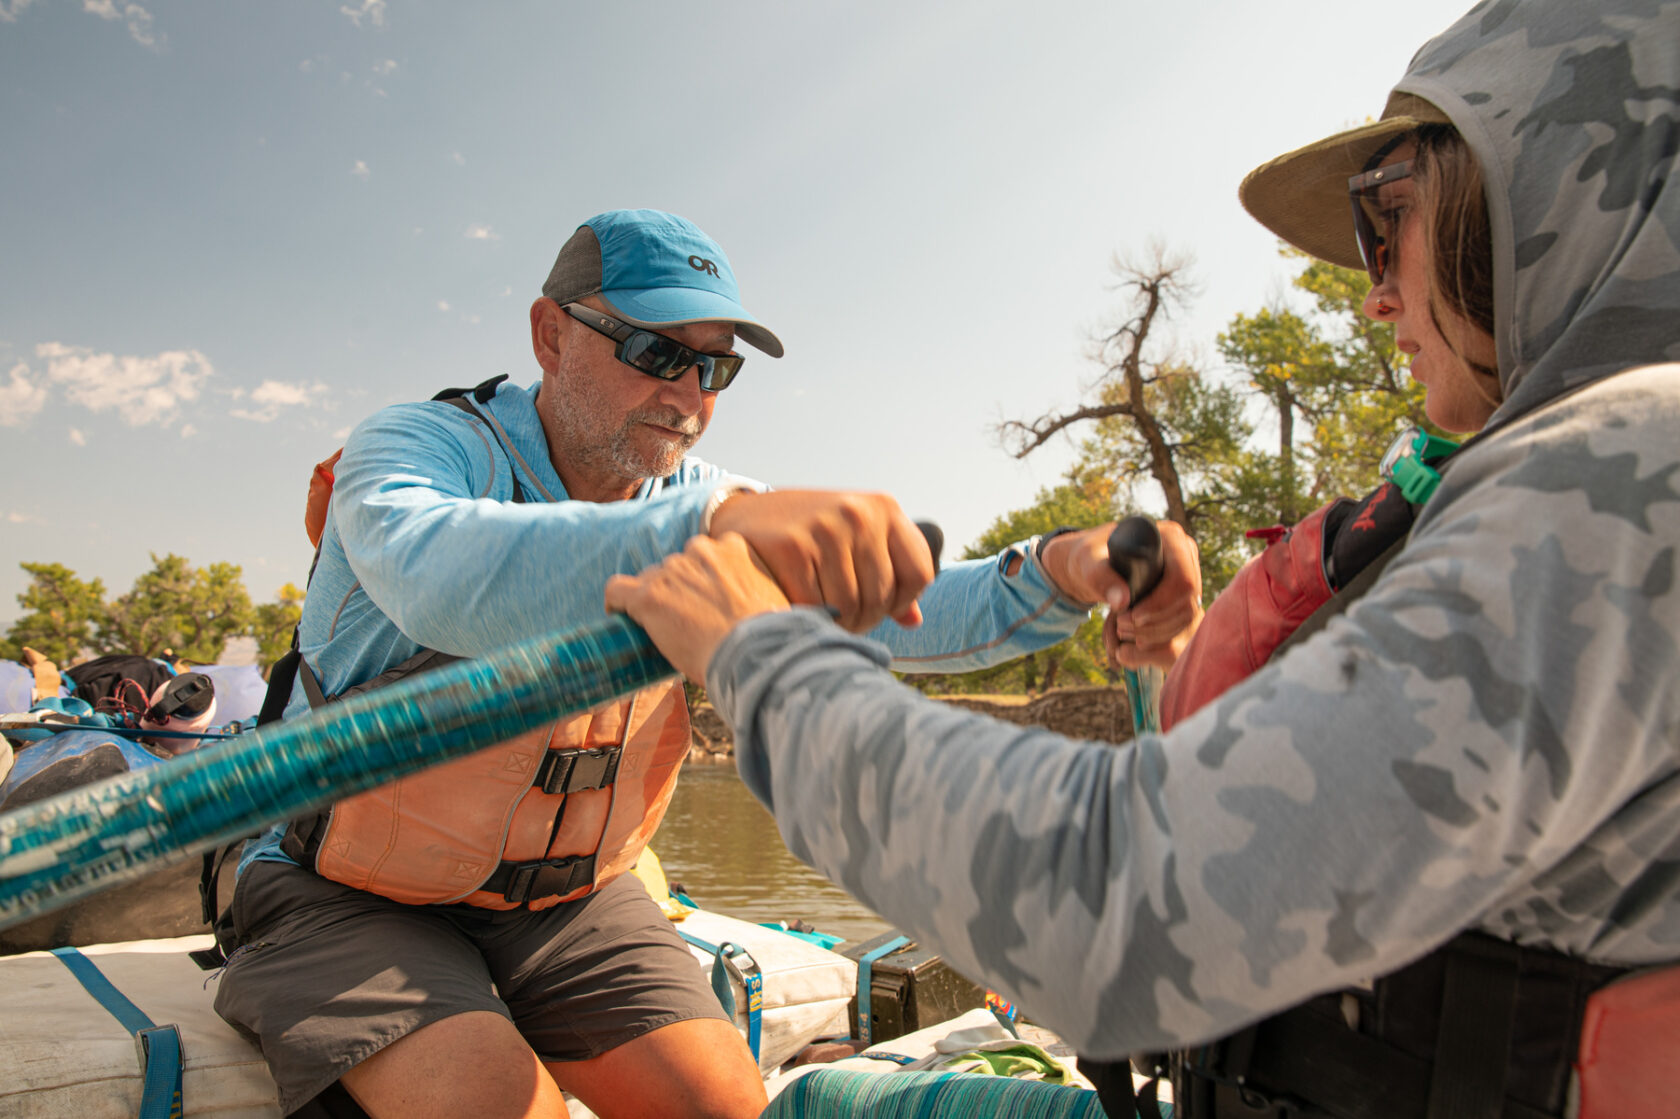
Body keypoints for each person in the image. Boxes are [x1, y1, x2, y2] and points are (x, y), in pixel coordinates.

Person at [607, 4, 1680, 1116]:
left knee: (812, 1106)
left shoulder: (1629, 467)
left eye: (1387, 216)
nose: (1375, 291)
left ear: (1550, 189)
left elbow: (1117, 895)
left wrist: (756, 653)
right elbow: (1333, 834)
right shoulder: (1545, 483)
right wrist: (1145, 642)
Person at [211, 207, 1201, 1119]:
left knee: (726, 1108)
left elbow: (907, 612)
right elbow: (437, 577)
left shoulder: (705, 497)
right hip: (341, 891)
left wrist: (1068, 567)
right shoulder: (417, 447)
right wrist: (715, 531)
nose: (685, 394)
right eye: (653, 352)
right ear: (549, 334)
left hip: (562, 906)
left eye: (714, 371)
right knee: (488, 1096)